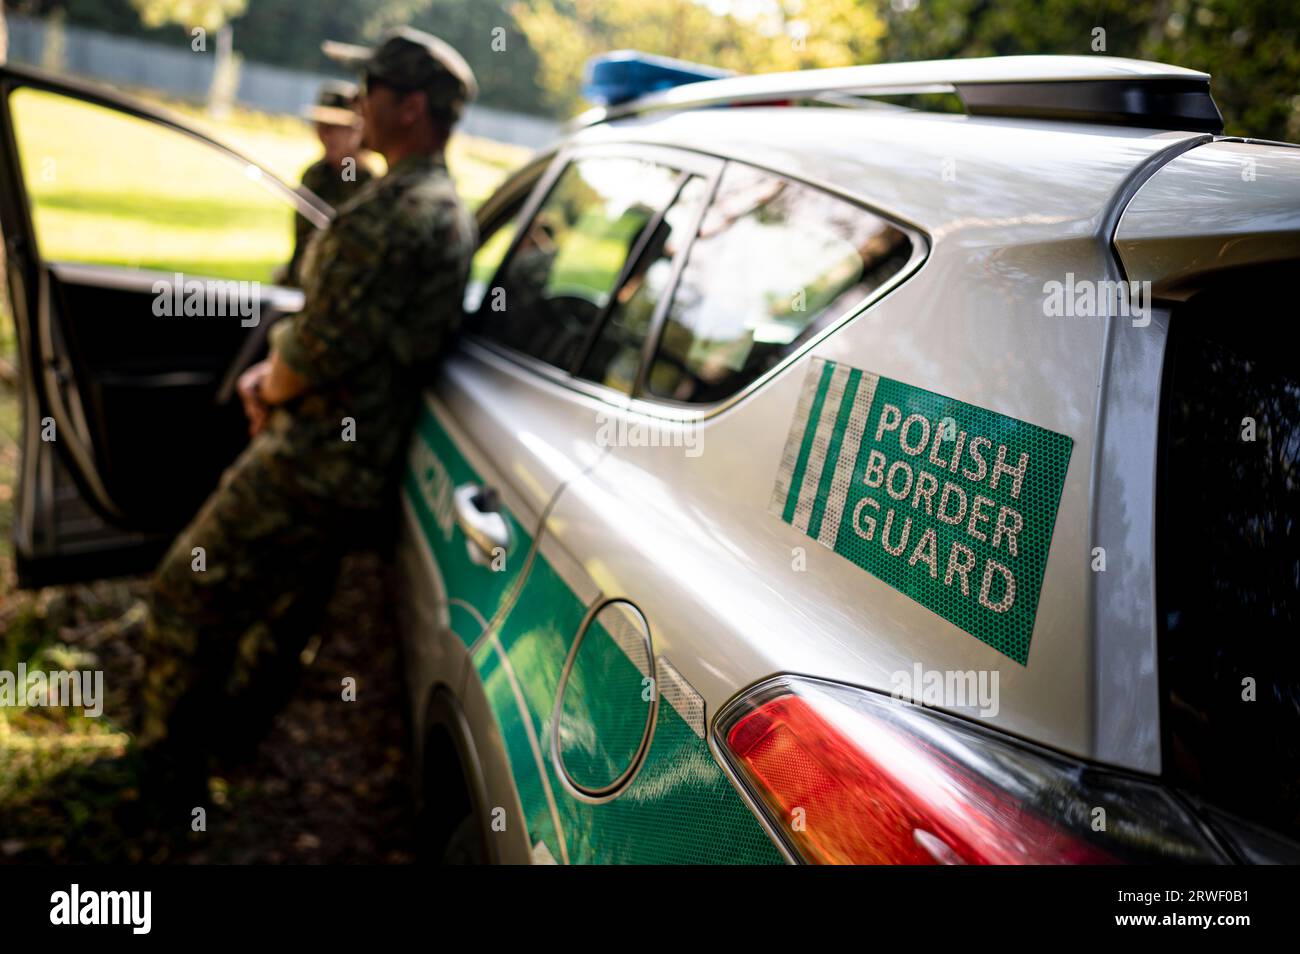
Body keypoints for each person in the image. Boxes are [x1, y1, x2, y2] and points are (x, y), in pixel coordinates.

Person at [130, 26, 479, 809]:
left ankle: (164, 776)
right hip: (361, 464)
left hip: (311, 455)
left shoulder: (388, 215)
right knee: (286, 613)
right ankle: (231, 746)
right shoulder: (448, 211)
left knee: (187, 591)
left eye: (371, 92)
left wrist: (266, 383)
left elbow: (316, 351)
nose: (357, 105)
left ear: (410, 108)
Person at [282, 81, 375, 286]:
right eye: (322, 126)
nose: (326, 134)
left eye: (336, 127)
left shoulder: (364, 180)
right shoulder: (315, 174)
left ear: (356, 129)